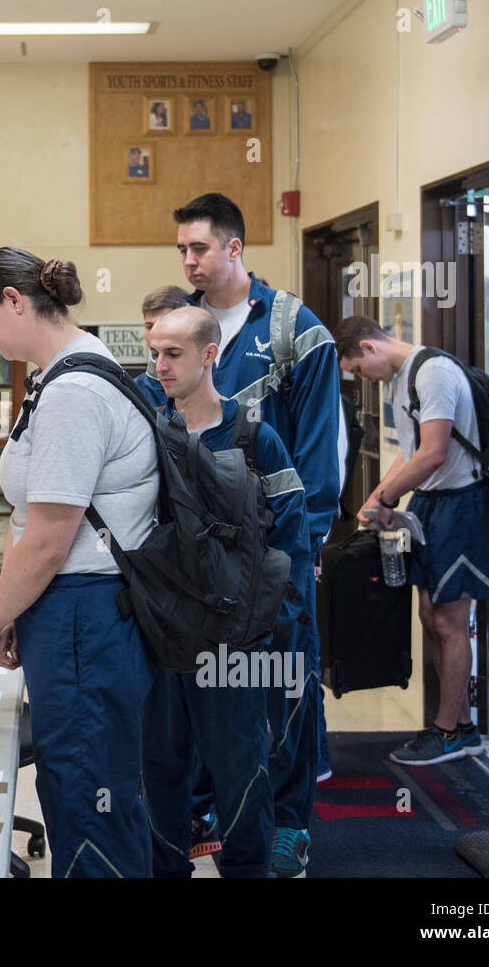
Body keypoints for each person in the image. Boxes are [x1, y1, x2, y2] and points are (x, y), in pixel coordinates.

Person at [0, 247, 157, 877]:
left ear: (16, 301)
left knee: (86, 796)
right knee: (82, 787)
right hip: (68, 612)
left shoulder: (73, 391)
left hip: (85, 615)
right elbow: (35, 525)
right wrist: (17, 607)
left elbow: (51, 536)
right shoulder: (64, 373)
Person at [175, 192, 340, 877]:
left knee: (284, 680)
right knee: (213, 684)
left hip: (276, 551)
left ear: (235, 249)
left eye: (200, 249)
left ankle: (290, 825)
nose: (189, 261)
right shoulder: (186, 328)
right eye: (182, 250)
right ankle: (222, 809)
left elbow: (318, 453)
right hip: (202, 556)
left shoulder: (294, 331)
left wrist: (309, 545)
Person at [142, 307, 313, 876]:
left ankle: (248, 870)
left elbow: (292, 540)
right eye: (155, 352)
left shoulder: (256, 438)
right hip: (162, 639)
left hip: (233, 644)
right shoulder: (148, 434)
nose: (159, 365)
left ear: (209, 354)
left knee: (240, 769)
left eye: (173, 354)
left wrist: (271, 628)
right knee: (160, 771)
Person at [334, 316, 489, 766]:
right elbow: (409, 456)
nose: (362, 379)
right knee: (430, 614)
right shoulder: (399, 381)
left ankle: (449, 731)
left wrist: (388, 497)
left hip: (461, 506)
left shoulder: (434, 372)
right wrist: (375, 501)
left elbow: (434, 452)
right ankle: (461, 725)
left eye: (359, 369)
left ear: (369, 347)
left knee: (450, 619)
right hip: (429, 505)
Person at [134, 285, 190, 410]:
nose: (155, 333)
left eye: (163, 324)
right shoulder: (132, 391)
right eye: (149, 326)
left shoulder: (215, 381)